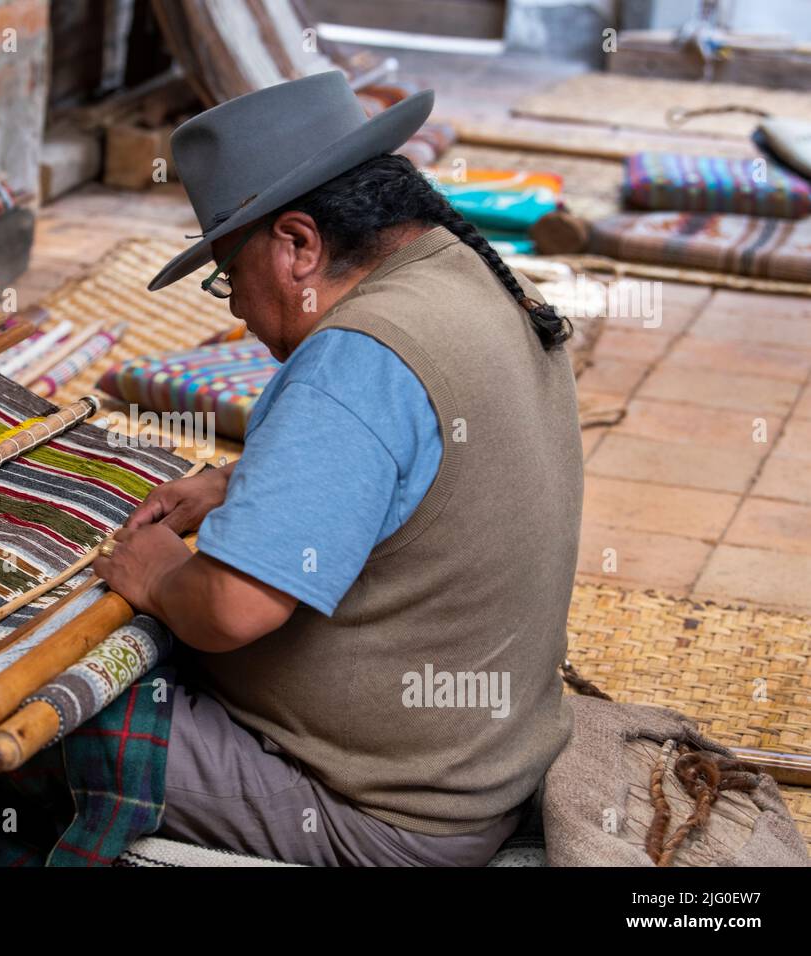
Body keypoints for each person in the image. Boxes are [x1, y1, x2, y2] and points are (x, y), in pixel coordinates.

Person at [92, 73, 583, 866]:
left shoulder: (355, 358)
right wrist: (241, 485)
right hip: (485, 760)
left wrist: (154, 576)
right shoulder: (477, 278)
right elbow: (424, 466)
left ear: (297, 245)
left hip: (384, 810)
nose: (235, 311)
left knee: (51, 725)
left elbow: (230, 608)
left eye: (228, 275)